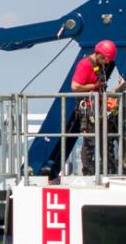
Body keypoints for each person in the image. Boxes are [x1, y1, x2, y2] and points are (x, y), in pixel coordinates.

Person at [48, 40, 120, 177]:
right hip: (87, 107)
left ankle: (109, 169)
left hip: (98, 105)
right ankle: (88, 171)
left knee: (105, 138)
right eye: (105, 59)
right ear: (99, 54)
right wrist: (93, 87)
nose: (106, 62)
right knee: (90, 139)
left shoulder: (99, 66)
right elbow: (75, 86)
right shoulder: (85, 65)